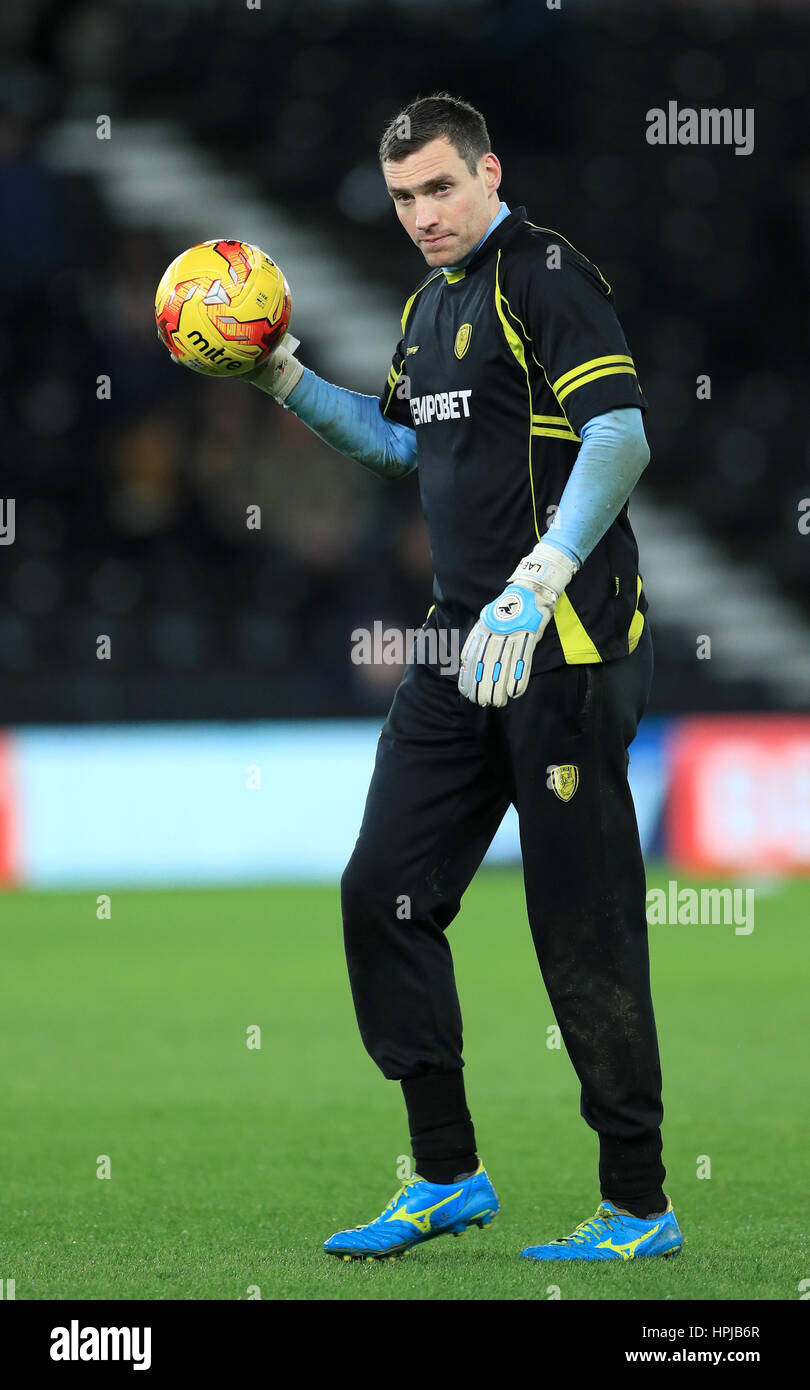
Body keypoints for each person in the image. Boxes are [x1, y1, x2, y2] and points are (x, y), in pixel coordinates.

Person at [248, 92, 683, 1264]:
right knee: (381, 886)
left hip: (566, 642)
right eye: (404, 198)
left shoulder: (543, 273)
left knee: (580, 931)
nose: (425, 215)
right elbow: (400, 443)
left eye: (441, 187)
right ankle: (446, 1172)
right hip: (457, 645)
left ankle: (639, 1202)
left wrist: (539, 577)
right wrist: (283, 375)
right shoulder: (427, 306)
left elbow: (623, 434)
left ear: (490, 171)